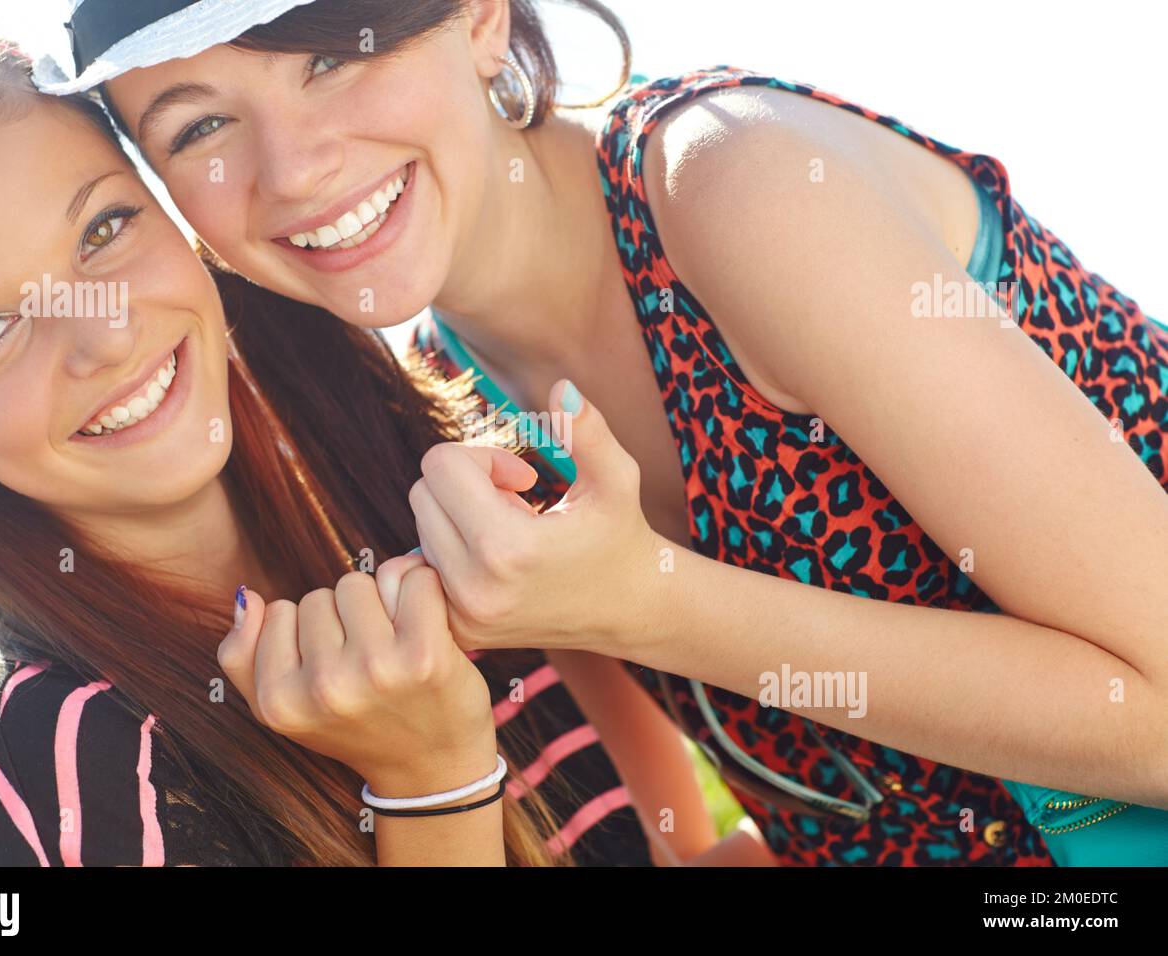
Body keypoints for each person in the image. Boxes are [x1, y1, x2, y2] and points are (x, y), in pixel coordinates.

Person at [67, 0, 1168, 864]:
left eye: (329, 56)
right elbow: (686, 829)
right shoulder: (455, 410)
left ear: (479, 16)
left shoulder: (733, 183)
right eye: (200, 126)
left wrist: (648, 602)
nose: (293, 167)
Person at [0, 30, 754, 865]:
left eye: (103, 230)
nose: (102, 337)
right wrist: (429, 780)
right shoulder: (57, 751)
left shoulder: (397, 455)